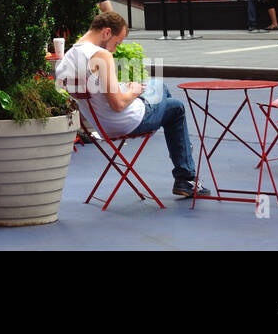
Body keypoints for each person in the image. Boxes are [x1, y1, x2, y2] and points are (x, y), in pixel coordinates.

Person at [56, 11, 204, 199]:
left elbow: (92, 94)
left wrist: (123, 88)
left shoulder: (68, 58)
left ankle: (184, 156)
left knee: (160, 91)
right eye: (116, 44)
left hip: (102, 126)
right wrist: (133, 91)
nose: (114, 50)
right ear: (107, 32)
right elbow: (117, 104)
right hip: (127, 120)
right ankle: (185, 169)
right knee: (174, 105)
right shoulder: (100, 56)